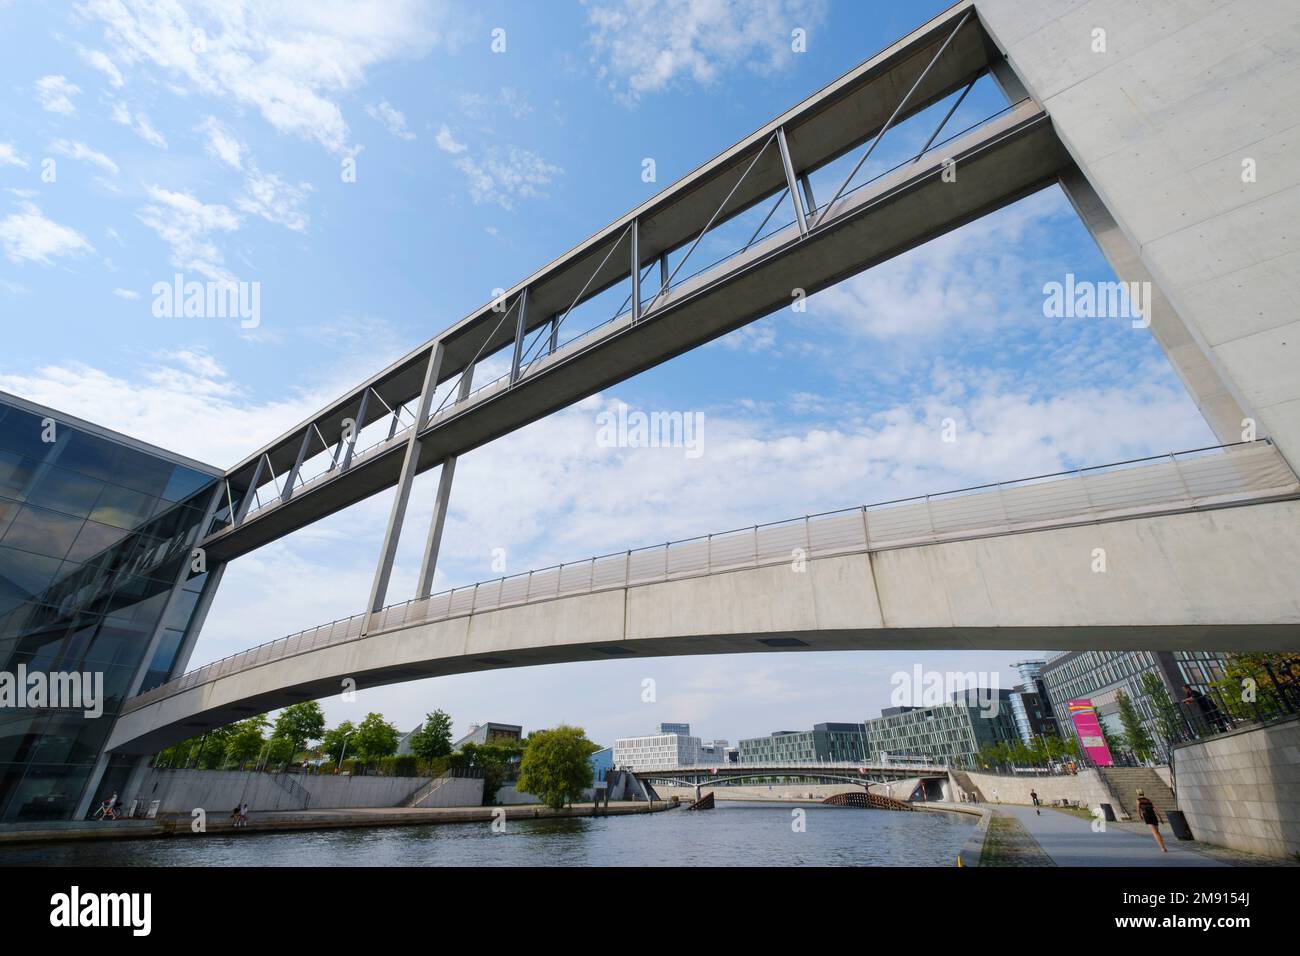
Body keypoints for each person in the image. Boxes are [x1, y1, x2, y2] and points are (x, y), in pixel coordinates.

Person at [1135, 788, 1167, 853]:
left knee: (1154, 833)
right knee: (1157, 832)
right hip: (1153, 816)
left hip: (1147, 816)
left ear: (1137, 793)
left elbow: (1138, 809)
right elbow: (1154, 809)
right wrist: (1160, 818)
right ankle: (1163, 846)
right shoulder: (1148, 800)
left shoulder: (1138, 800)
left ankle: (1162, 848)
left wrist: (1140, 816)